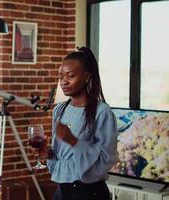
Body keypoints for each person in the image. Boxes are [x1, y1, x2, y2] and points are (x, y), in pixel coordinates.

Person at [46, 47, 117, 200]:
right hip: (61, 190)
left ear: (87, 77)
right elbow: (61, 155)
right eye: (61, 76)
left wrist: (72, 140)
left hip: (89, 193)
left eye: (70, 76)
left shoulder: (102, 112)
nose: (64, 81)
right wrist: (47, 154)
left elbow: (107, 159)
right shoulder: (59, 110)